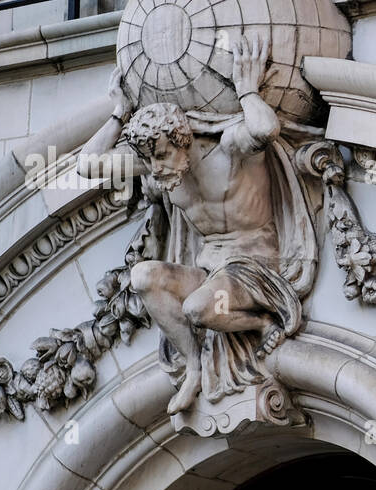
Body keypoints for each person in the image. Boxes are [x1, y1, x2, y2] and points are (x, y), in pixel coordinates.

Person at [79, 33, 317, 415]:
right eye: (150, 160)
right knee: (143, 278)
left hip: (254, 267)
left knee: (198, 308)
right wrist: (117, 114)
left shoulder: (229, 150)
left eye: (160, 157)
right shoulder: (162, 162)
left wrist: (246, 91)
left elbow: (264, 130)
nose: (155, 170)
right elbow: (87, 165)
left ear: (181, 140)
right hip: (209, 269)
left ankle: (259, 324)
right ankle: (193, 364)